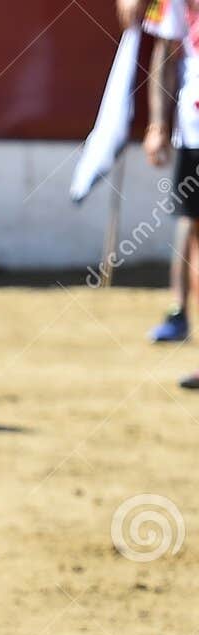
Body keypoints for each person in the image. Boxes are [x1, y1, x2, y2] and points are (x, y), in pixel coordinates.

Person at [139, 1, 199, 381]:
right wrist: (158, 123)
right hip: (195, 126)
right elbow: (165, 47)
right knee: (191, 225)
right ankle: (179, 309)